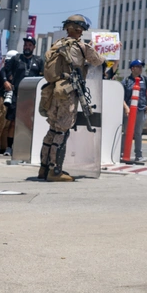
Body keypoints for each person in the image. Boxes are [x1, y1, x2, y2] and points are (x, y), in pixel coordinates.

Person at [38, 14, 103, 181]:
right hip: (67, 93)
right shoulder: (81, 47)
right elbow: (98, 61)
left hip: (53, 92)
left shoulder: (56, 44)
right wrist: (94, 48)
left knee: (52, 130)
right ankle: (55, 171)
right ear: (79, 29)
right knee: (62, 131)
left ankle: (44, 168)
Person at [0, 35, 43, 154]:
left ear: (34, 47)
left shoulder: (39, 61)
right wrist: (5, 81)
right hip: (16, 95)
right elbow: (3, 70)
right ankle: (9, 148)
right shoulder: (16, 58)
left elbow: (43, 77)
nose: (26, 47)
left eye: (29, 45)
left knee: (29, 122)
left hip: (31, 96)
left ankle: (27, 147)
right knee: (13, 122)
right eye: (25, 44)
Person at [123, 58, 147, 162]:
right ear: (132, 69)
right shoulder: (126, 81)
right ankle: (123, 153)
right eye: (138, 67)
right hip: (129, 111)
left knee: (138, 133)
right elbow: (120, 95)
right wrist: (126, 107)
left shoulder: (144, 80)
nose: (141, 69)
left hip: (140, 110)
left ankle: (138, 155)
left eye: (141, 67)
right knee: (126, 132)